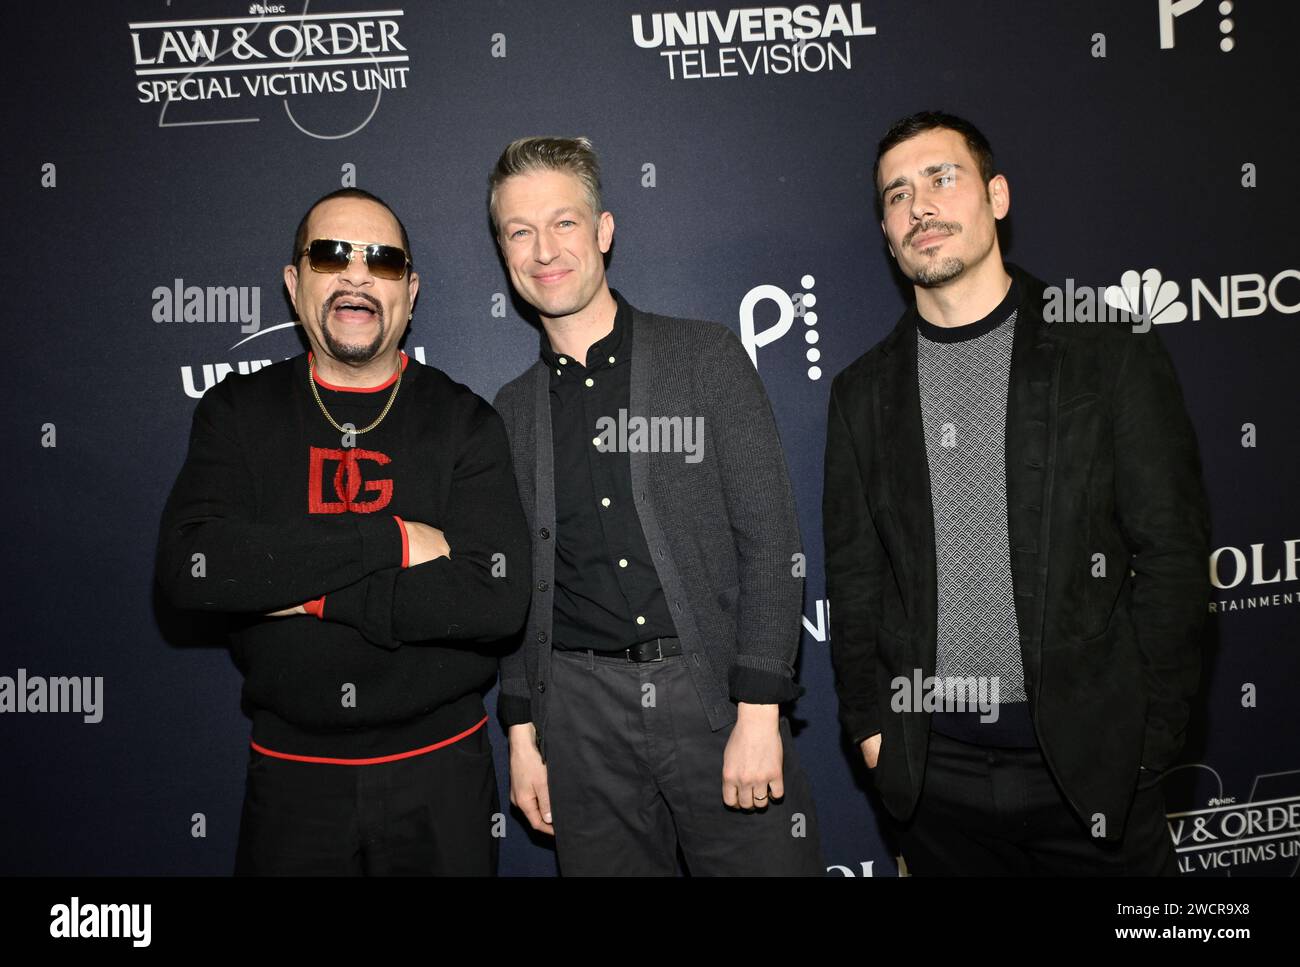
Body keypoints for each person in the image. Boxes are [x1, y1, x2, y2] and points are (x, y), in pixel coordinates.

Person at [823, 111, 1210, 875]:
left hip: (1092, 770)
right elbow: (855, 577)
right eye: (897, 195)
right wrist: (873, 726)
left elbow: (1173, 555)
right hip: (936, 781)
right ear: (886, 229)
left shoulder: (1107, 349)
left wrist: (1148, 741)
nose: (920, 207)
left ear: (996, 196)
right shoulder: (862, 393)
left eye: (942, 178)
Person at [156, 187, 530, 875]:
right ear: (295, 284)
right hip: (292, 773)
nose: (357, 275)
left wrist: (304, 590)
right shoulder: (237, 412)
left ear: (410, 293)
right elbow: (193, 568)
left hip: (441, 772)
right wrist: (387, 540)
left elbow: (494, 597)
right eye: (332, 255)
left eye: (383, 262)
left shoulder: (465, 422)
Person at [489, 136, 824, 875]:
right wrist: (522, 734)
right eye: (520, 231)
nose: (544, 248)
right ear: (505, 254)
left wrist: (759, 711)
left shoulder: (703, 357)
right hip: (578, 720)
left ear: (604, 231)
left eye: (564, 222)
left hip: (712, 699)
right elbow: (514, 587)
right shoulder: (510, 412)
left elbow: (772, 538)